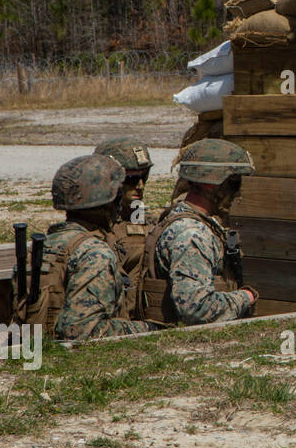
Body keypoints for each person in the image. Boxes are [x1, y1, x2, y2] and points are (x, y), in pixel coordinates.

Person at [38, 154, 162, 339]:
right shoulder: (96, 253)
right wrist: (147, 329)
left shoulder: (47, 245)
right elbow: (82, 331)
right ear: (105, 204)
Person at [141, 139, 259, 324]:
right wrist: (245, 297)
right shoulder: (192, 235)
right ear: (211, 185)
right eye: (234, 183)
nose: (238, 193)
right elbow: (196, 309)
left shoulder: (183, 218)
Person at [94, 136, 153, 318]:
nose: (140, 186)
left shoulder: (141, 218)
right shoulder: (95, 228)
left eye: (144, 177)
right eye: (131, 179)